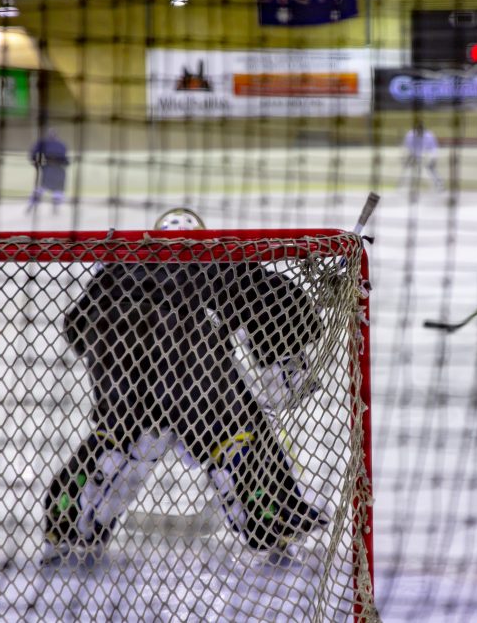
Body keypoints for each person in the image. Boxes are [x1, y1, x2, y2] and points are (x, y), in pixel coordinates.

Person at [43, 208, 326, 561]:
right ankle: (269, 513)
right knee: (238, 436)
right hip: (203, 396)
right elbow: (273, 306)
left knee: (120, 449)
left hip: (135, 398)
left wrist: (107, 286)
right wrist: (286, 362)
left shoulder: (119, 272)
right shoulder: (218, 264)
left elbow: (76, 332)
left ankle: (70, 521)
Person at [27, 128, 69, 213]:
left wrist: (35, 162)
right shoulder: (62, 144)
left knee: (42, 187)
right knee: (58, 188)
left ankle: (32, 203)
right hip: (59, 169)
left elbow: (33, 153)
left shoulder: (43, 143)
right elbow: (65, 160)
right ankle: (55, 207)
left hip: (48, 168)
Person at [400, 120, 444, 191]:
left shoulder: (429, 135)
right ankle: (403, 186)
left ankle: (439, 185)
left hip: (428, 154)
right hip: (415, 154)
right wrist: (409, 158)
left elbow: (433, 149)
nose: (420, 131)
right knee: (408, 168)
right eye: (418, 130)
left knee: (430, 168)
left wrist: (432, 159)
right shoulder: (410, 135)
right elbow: (408, 148)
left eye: (421, 130)